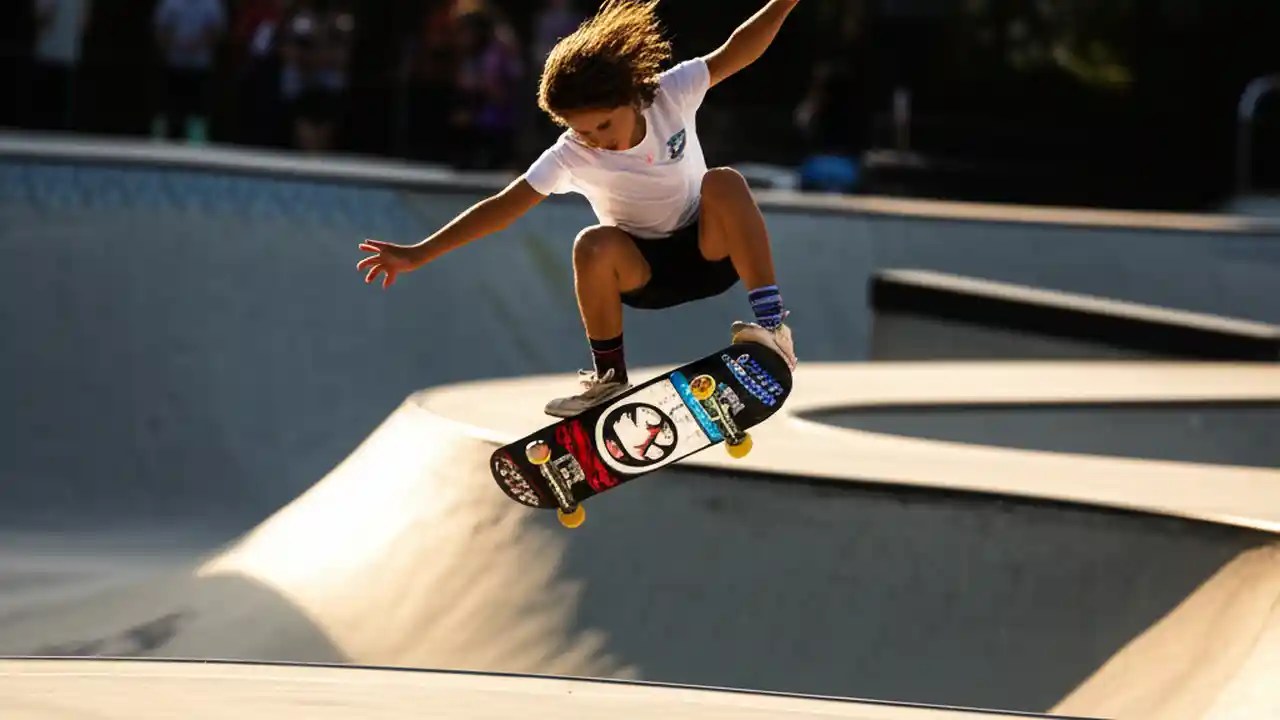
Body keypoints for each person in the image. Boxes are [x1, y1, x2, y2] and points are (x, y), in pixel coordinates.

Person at [357, 0, 800, 418]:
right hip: (642, 273)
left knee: (723, 182)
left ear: (631, 96)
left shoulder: (671, 93)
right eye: (583, 131)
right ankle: (610, 379)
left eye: (604, 125)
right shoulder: (571, 155)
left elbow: (738, 49)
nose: (597, 141)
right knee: (592, 243)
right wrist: (419, 253)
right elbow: (502, 208)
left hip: (711, 252)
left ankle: (773, 329)